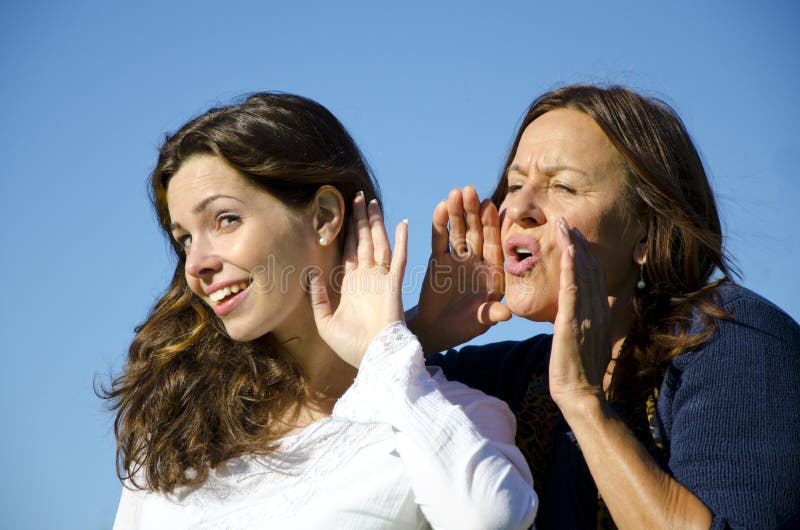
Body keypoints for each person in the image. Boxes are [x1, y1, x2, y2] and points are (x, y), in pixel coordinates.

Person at [103, 93, 538, 529]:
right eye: (185, 239)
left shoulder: (442, 417)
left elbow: (491, 518)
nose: (196, 265)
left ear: (325, 217)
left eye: (225, 219)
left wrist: (387, 347)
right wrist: (415, 328)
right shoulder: (178, 427)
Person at [409, 84, 800, 529]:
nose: (518, 206)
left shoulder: (729, 336)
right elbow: (331, 405)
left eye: (563, 186)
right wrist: (425, 330)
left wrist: (584, 402)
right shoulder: (518, 376)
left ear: (647, 234)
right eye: (515, 184)